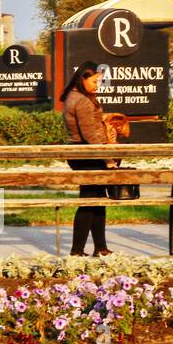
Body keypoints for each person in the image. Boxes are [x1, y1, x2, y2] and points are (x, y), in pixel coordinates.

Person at [61, 60, 116, 257]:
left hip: (82, 153)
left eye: (99, 82)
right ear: (82, 78)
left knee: (97, 200)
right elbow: (90, 135)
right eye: (93, 81)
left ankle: (100, 248)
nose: (97, 85)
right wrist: (108, 159)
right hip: (88, 154)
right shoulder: (82, 101)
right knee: (89, 200)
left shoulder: (74, 96)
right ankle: (77, 251)